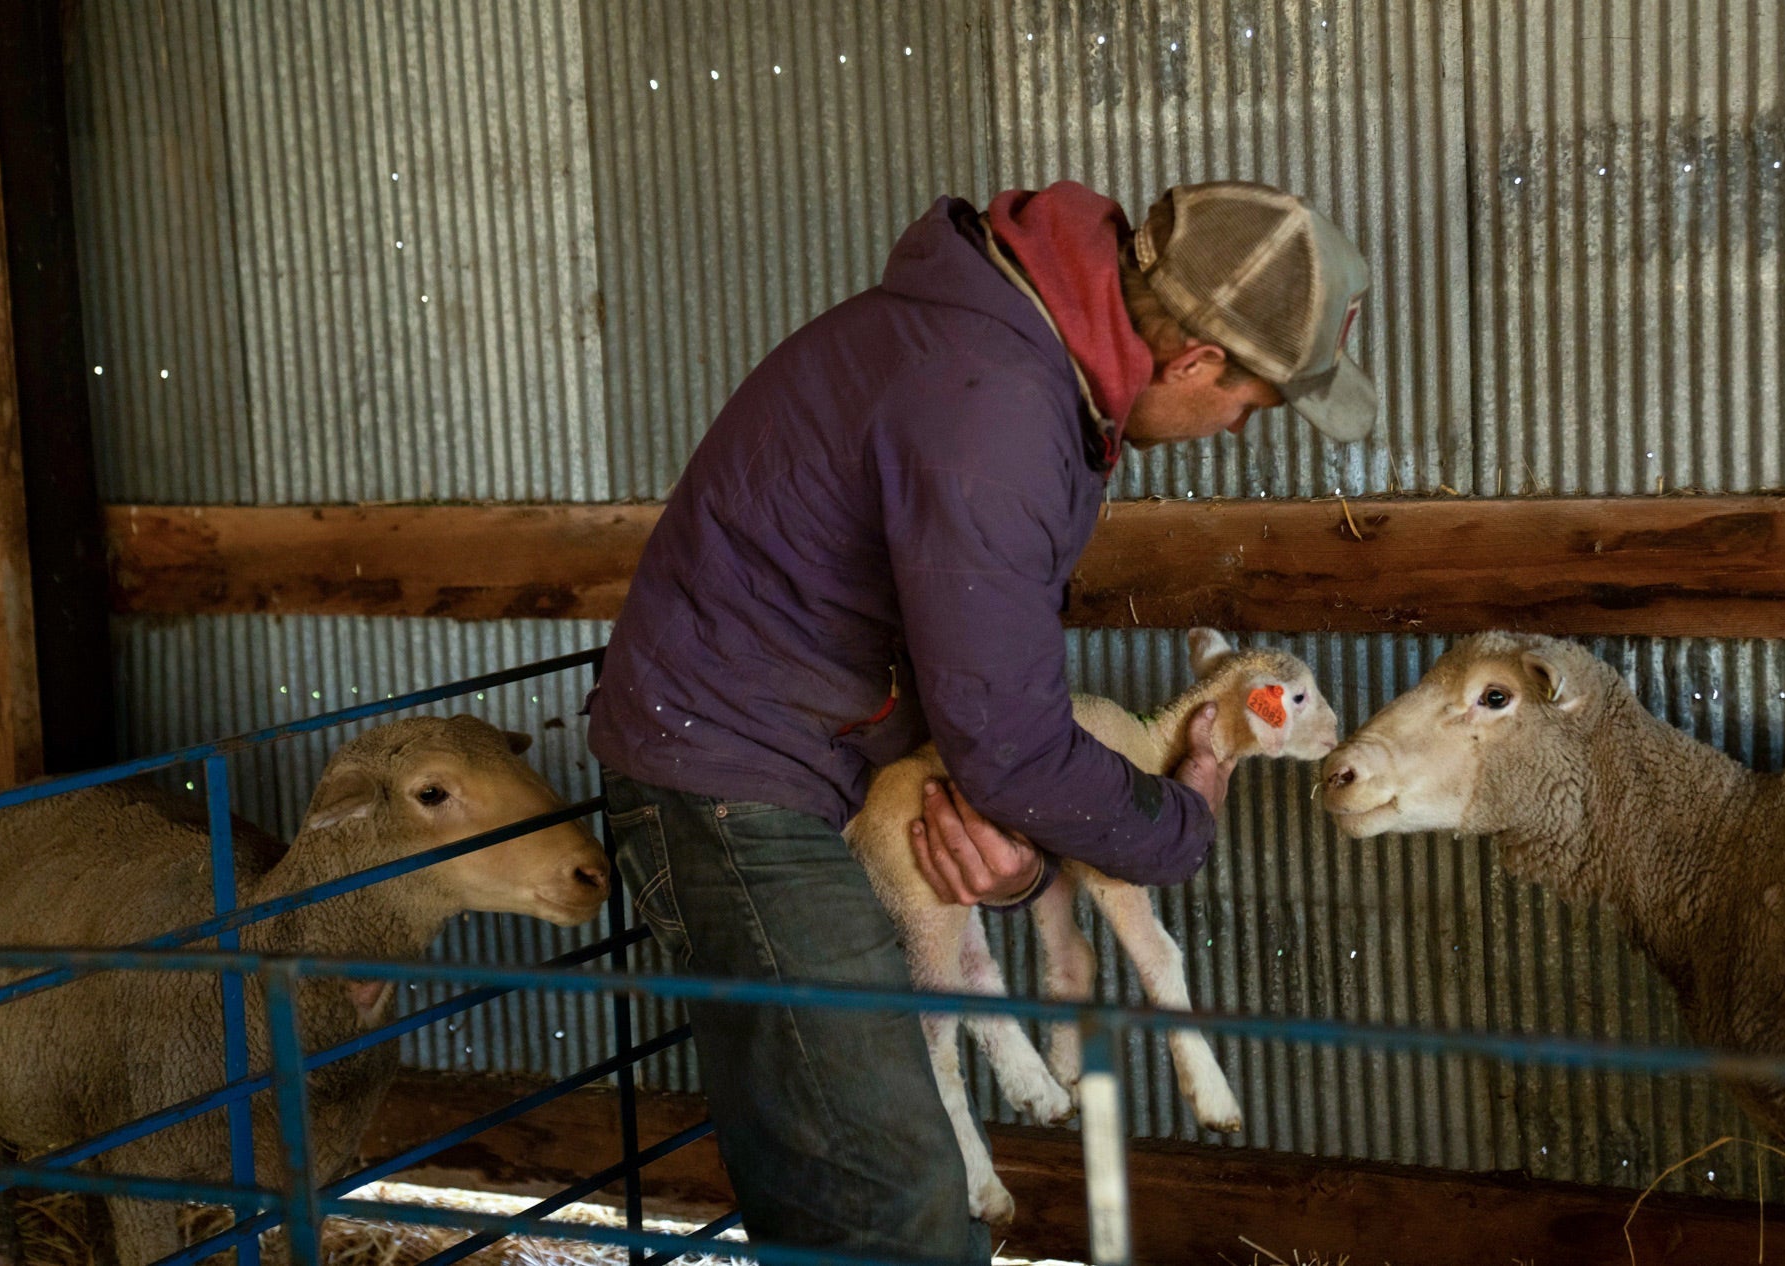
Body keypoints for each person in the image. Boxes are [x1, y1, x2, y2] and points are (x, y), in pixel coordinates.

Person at [587, 179, 1374, 1261]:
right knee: (890, 1187)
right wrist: (1178, 823)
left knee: (847, 1155)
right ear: (1195, 361)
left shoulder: (1030, 360)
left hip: (820, 746)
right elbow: (1008, 740)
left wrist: (1019, 863)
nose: (1232, 428)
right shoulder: (998, 406)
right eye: (1250, 405)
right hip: (730, 769)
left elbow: (981, 710)